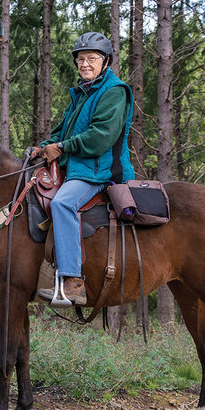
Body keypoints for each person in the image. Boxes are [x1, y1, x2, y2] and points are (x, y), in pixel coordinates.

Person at [32, 31, 134, 306]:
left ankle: (73, 281)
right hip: (76, 168)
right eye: (80, 59)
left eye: (91, 58)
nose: (85, 64)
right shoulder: (82, 94)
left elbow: (101, 136)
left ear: (106, 62)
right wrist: (43, 146)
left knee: (63, 204)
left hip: (99, 172)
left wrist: (62, 148)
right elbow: (60, 131)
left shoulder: (114, 91)